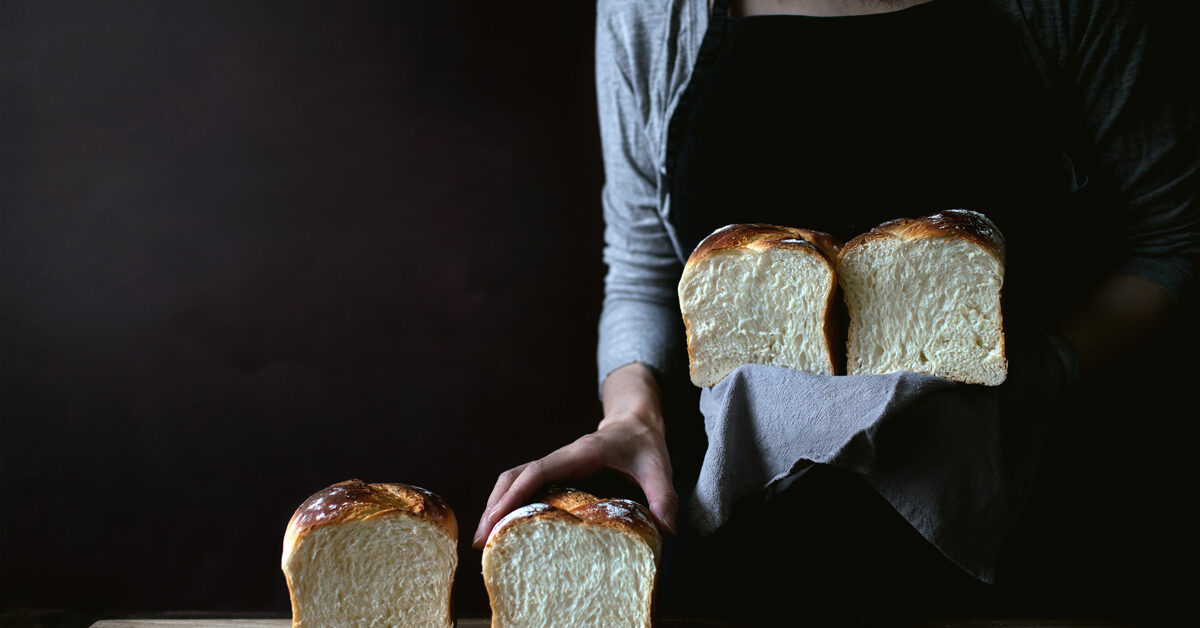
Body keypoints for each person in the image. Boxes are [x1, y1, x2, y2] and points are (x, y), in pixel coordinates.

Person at [474, 0, 1196, 620]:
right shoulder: (653, 11)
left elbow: (1175, 238)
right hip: (738, 559)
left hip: (1028, 535)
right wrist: (633, 417)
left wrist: (1043, 368)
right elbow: (642, 266)